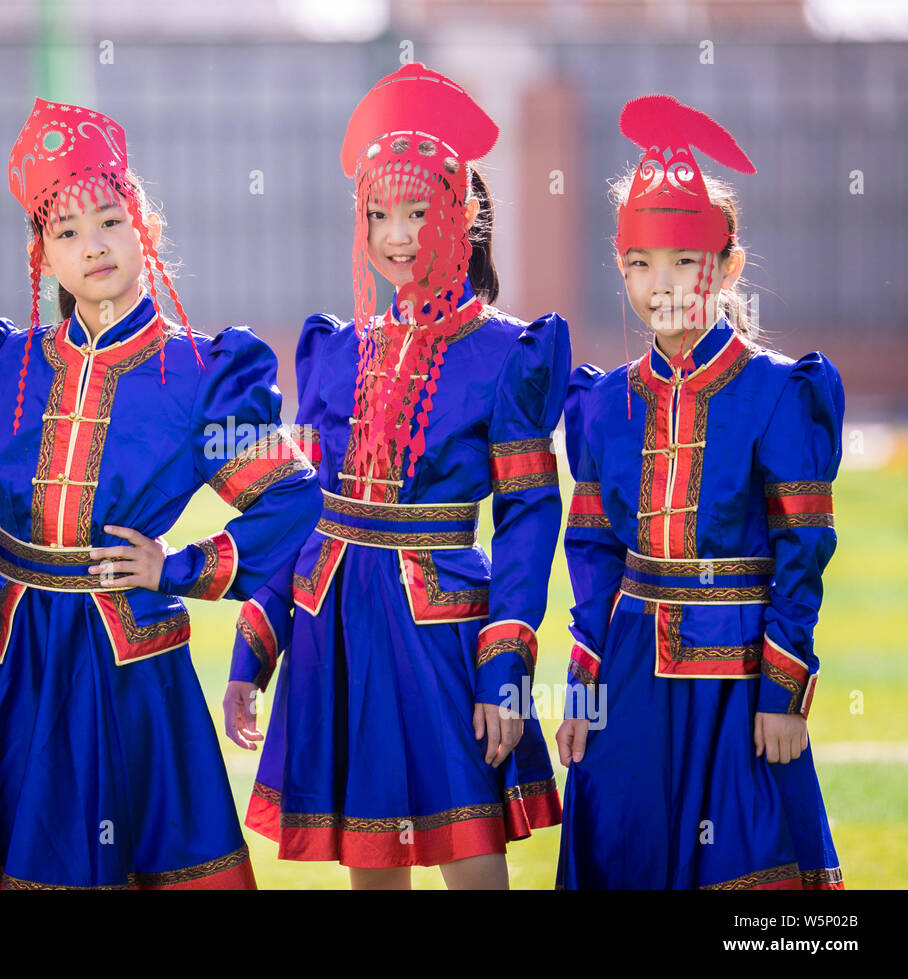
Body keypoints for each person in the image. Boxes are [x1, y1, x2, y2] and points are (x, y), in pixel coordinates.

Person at [0, 98, 322, 889]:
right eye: (67, 232)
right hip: (20, 663)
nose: (93, 247)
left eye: (109, 221)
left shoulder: (197, 373)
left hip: (131, 666)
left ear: (142, 223)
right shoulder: (10, 366)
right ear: (42, 253)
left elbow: (294, 503)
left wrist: (178, 567)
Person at [224, 64, 568, 890]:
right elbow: (305, 515)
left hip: (441, 628)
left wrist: (505, 668)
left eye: (418, 211)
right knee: (370, 858)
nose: (397, 234)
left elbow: (528, 520)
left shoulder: (509, 353)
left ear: (466, 213)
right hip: (334, 623)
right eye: (379, 213)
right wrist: (252, 655)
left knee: (470, 851)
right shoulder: (336, 350)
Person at [554, 95, 844, 889]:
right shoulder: (604, 403)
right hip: (630, 677)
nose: (663, 285)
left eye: (685, 260)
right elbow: (593, 554)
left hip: (742, 682)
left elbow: (802, 551)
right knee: (627, 849)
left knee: (745, 868)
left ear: (728, 265)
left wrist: (784, 690)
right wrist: (582, 689)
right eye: (641, 263)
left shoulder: (780, 393)